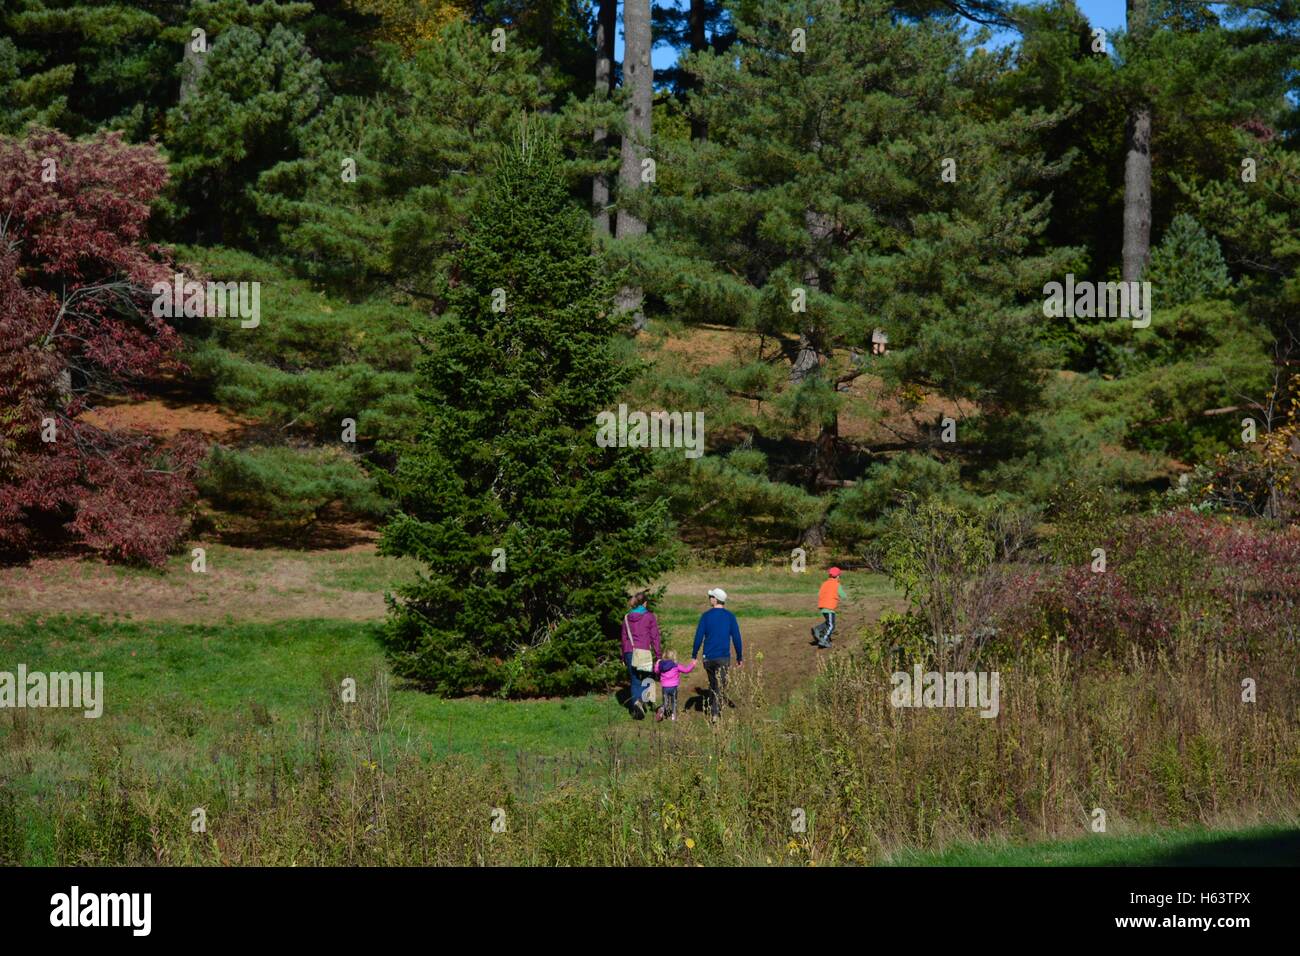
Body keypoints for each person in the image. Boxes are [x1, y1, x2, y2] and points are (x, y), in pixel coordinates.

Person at [692, 587, 743, 720]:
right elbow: (736, 637)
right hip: (723, 657)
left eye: (711, 597)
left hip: (708, 658)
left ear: (715, 599)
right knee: (720, 685)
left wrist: (694, 655)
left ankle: (713, 708)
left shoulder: (706, 616)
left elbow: (698, 637)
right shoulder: (730, 617)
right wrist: (739, 656)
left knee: (713, 682)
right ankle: (715, 713)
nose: (709, 599)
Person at [622, 590, 661, 718]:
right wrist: (658, 655)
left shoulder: (627, 617)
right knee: (646, 678)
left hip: (629, 651)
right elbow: (655, 637)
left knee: (634, 680)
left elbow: (624, 638)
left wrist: (623, 656)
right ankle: (643, 702)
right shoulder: (649, 617)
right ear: (644, 603)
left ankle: (636, 705)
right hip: (643, 651)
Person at [653, 649, 695, 721]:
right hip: (673, 687)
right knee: (674, 702)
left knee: (665, 703)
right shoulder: (676, 665)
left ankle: (661, 710)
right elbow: (686, 670)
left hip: (665, 687)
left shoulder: (661, 666)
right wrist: (692, 664)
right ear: (673, 657)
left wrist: (657, 664)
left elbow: (656, 671)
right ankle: (673, 717)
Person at [813, 567, 844, 648]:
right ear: (838, 576)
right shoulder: (837, 585)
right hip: (829, 607)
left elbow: (819, 593)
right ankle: (824, 639)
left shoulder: (824, 583)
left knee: (828, 622)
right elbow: (843, 595)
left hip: (822, 606)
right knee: (831, 626)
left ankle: (818, 629)